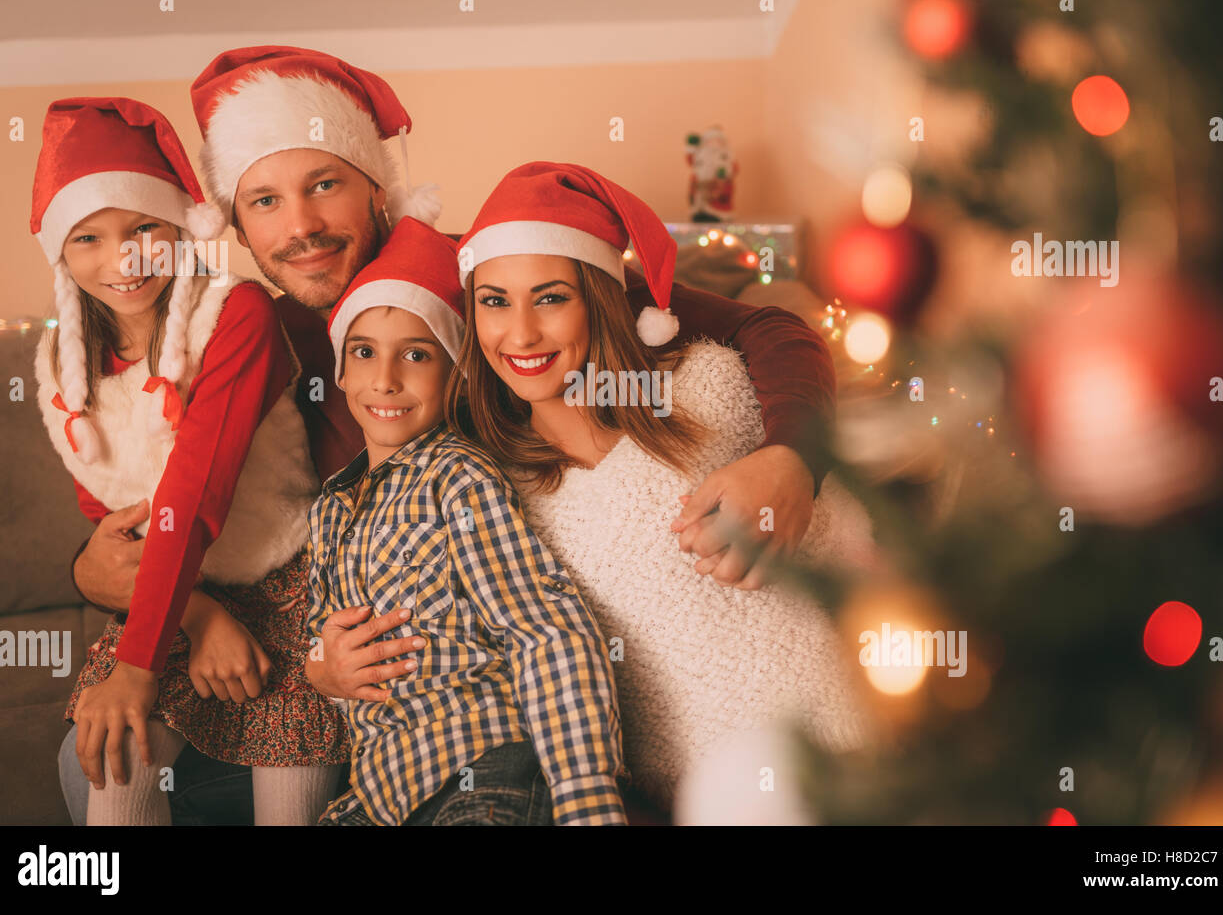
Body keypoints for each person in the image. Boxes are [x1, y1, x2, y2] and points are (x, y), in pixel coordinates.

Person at [59, 45, 844, 823]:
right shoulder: (259, 330)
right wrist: (105, 577)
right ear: (231, 222)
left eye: (324, 185)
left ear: (377, 189)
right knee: (91, 760)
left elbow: (770, 326)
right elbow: (198, 497)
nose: (300, 226)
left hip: (496, 675)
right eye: (263, 201)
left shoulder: (495, 280)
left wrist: (790, 459)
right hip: (341, 670)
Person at [448, 161, 878, 810]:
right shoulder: (489, 487)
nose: (522, 332)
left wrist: (792, 461)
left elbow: (850, 553)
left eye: (551, 297)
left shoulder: (709, 386)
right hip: (689, 795)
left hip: (844, 742)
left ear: (600, 298)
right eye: (494, 300)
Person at [32, 97, 348, 825]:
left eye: (145, 227)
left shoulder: (235, 315)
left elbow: (193, 490)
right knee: (114, 764)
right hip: (175, 599)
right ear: (60, 251)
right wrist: (198, 620)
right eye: (88, 239)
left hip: (286, 580)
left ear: (181, 228)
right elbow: (113, 515)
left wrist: (137, 669)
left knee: (288, 797)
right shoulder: (60, 360)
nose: (124, 260)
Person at [308, 216, 626, 825]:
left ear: (455, 374)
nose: (385, 379)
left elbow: (544, 628)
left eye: (417, 355)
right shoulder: (327, 511)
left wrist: (587, 797)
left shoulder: (459, 478)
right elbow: (316, 631)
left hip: (482, 768)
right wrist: (321, 666)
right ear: (341, 371)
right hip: (379, 795)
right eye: (365, 352)